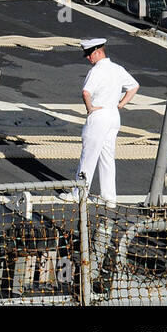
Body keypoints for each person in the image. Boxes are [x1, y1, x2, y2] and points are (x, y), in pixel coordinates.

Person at [62, 38, 139, 206]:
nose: (88, 58)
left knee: (88, 157)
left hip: (99, 116)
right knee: (107, 158)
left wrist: (89, 109)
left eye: (89, 54)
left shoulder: (96, 71)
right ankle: (109, 198)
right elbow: (134, 86)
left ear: (98, 52)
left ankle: (79, 194)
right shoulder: (118, 69)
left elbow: (85, 93)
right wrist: (121, 104)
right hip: (113, 116)